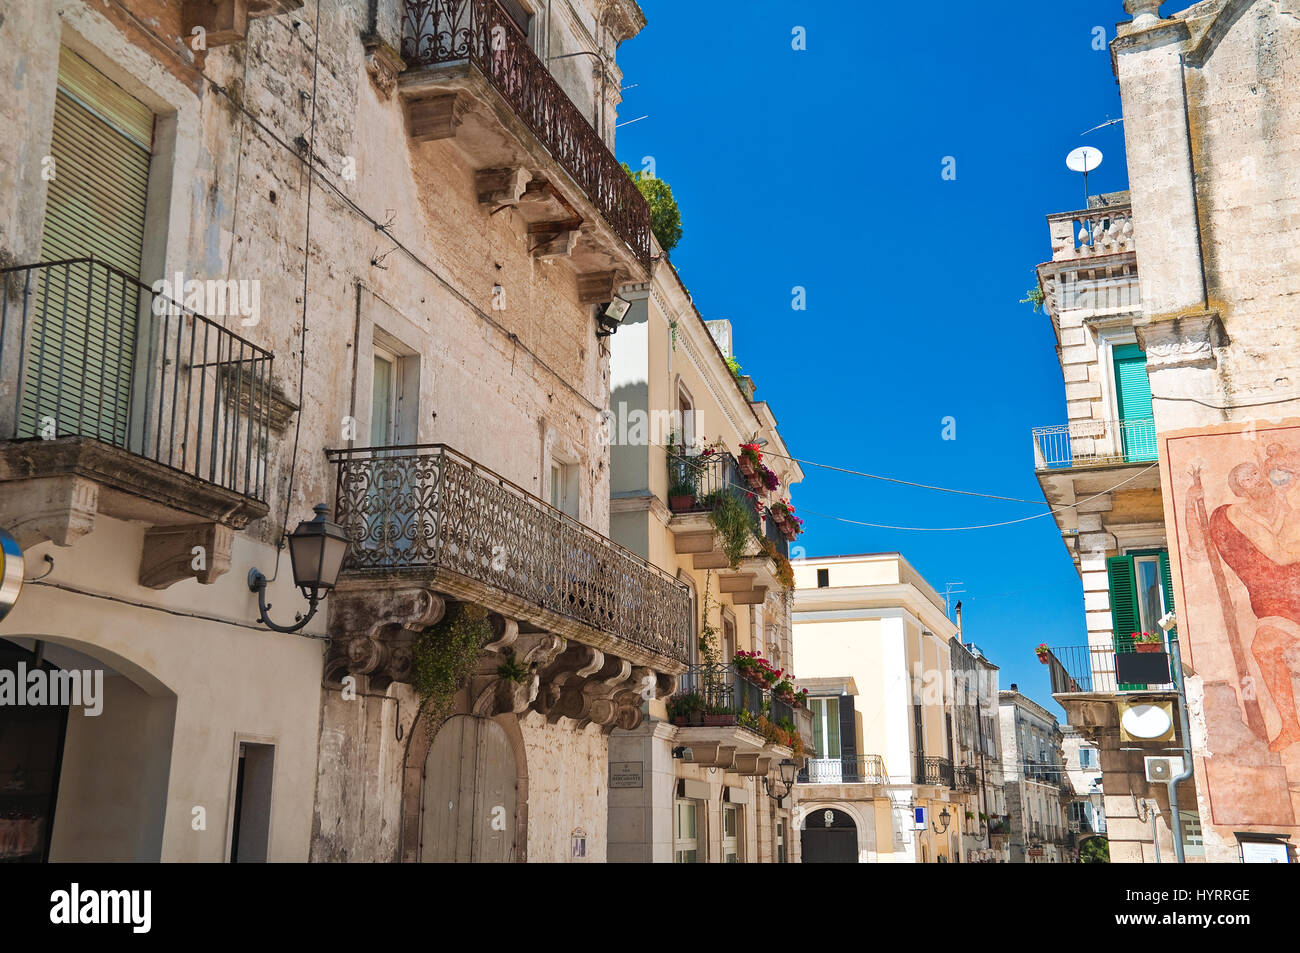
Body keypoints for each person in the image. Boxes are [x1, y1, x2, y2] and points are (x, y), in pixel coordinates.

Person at [1188, 445, 1300, 752]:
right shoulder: (1236, 515)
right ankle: (1291, 727)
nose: (1256, 478)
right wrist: (1190, 501)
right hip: (1276, 599)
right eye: (1246, 477)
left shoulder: (1286, 498)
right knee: (1264, 648)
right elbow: (1198, 545)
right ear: (1239, 489)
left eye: (1255, 471)